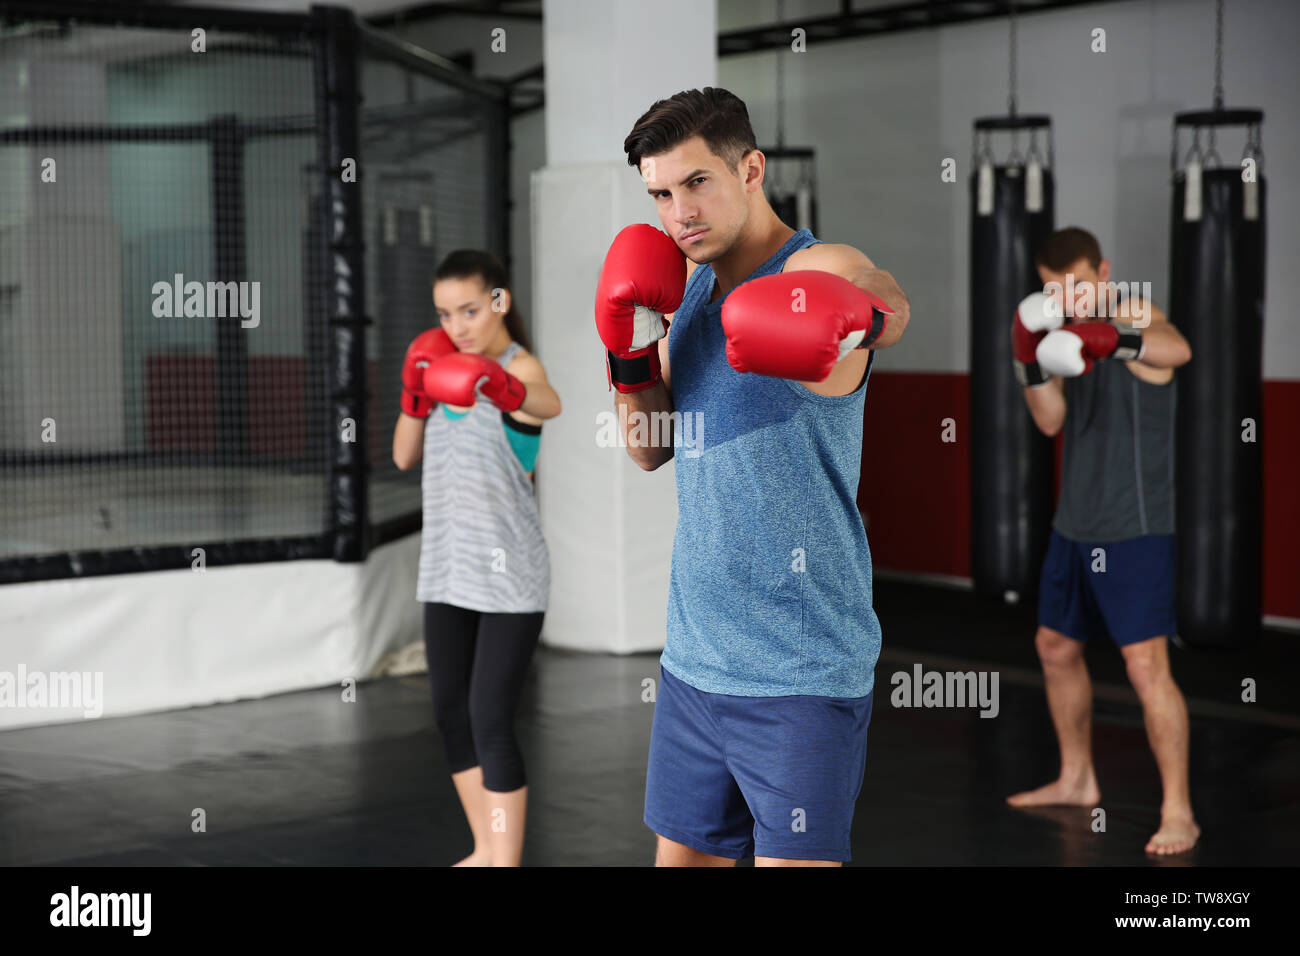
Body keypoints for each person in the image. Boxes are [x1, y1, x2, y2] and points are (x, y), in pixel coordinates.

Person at [595, 87, 911, 866]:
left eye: (695, 183)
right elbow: (648, 447)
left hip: (800, 671)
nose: (679, 214)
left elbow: (887, 299)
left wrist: (853, 320)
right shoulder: (689, 290)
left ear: (750, 169)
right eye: (660, 195)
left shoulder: (811, 266)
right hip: (695, 663)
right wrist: (628, 356)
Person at [1006, 226, 1198, 855]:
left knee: (1145, 667)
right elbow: (1051, 420)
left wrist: (1109, 339)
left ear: (1105, 271)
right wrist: (1027, 358)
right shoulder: (1049, 335)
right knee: (1055, 645)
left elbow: (1177, 351)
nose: (1069, 296)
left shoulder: (1134, 314)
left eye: (1080, 283)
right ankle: (1077, 776)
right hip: (1074, 523)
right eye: (1054, 287)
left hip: (1135, 525)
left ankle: (1179, 812)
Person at [392, 250, 562, 867]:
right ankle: (485, 848)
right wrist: (415, 393)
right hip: (445, 568)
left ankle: (505, 862)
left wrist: (502, 386)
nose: (457, 325)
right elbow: (402, 457)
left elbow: (547, 403)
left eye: (469, 309)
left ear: (499, 302)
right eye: (444, 313)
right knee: (450, 715)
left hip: (510, 575)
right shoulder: (435, 367)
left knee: (490, 716)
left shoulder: (520, 365)